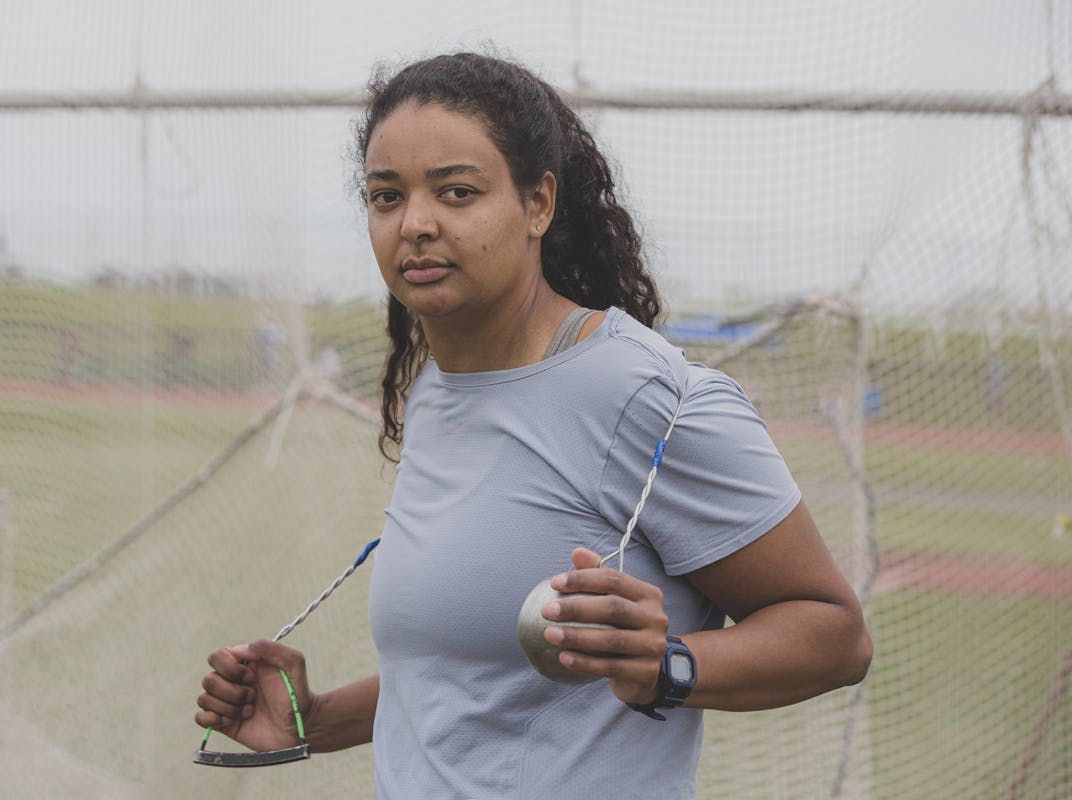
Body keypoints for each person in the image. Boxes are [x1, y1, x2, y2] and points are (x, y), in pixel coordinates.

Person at [196, 52, 872, 798]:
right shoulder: (437, 395)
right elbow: (466, 674)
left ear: (538, 205)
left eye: (456, 192)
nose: (415, 224)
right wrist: (315, 720)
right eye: (387, 197)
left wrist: (670, 665)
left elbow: (835, 635)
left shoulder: (645, 396)